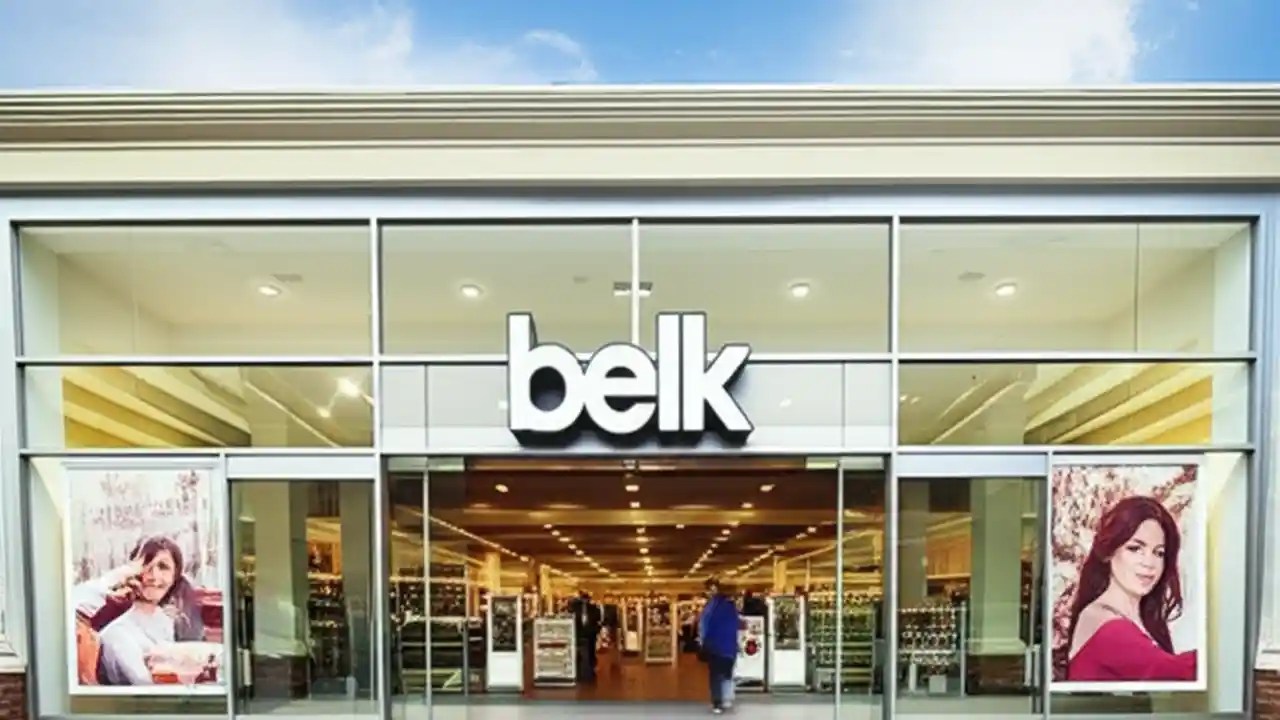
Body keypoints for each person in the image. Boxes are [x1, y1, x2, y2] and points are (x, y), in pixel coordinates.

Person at [1061, 495, 1197, 682]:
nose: (1149, 563)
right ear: (1109, 551)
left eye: (1159, 553)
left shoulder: (1146, 621)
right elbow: (1174, 672)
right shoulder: (1103, 622)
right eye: (1135, 549)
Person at [72, 535, 205, 685]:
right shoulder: (118, 635)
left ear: (174, 577)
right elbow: (146, 688)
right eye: (147, 566)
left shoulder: (167, 621)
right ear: (133, 572)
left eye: (163, 567)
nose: (154, 576)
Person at [698, 578, 740, 714]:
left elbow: (705, 625)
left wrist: (702, 641)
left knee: (715, 676)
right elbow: (736, 625)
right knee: (727, 673)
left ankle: (717, 703)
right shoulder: (731, 607)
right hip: (730, 647)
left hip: (715, 646)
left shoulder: (711, 607)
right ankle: (727, 699)